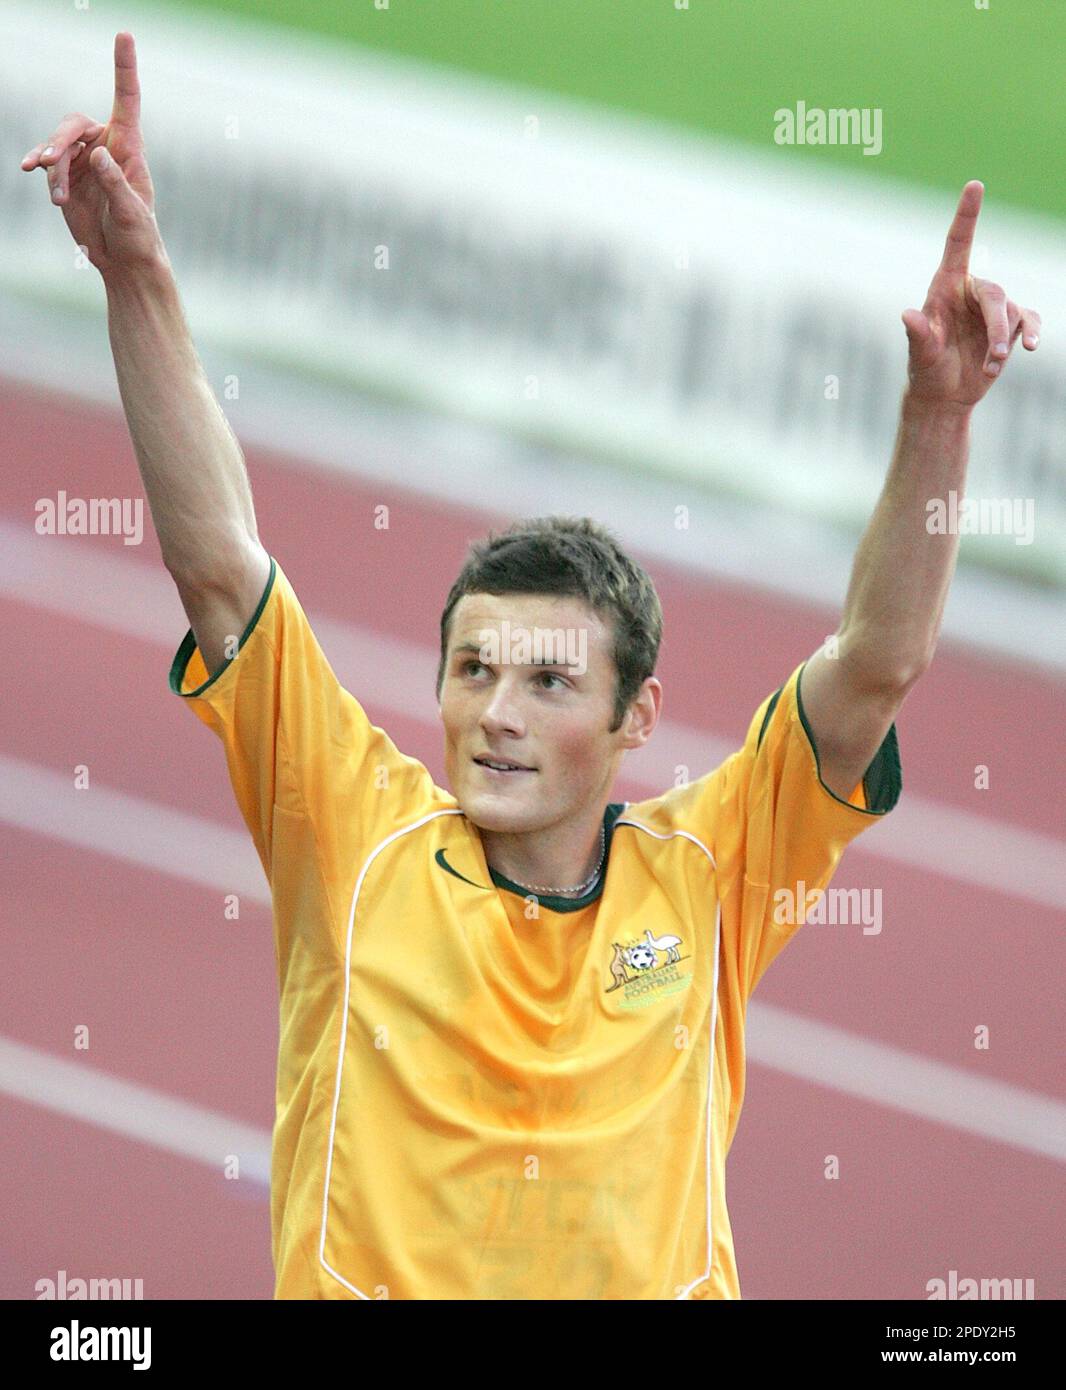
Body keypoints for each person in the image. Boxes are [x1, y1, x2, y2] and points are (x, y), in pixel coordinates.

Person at [21, 31, 1041, 1301]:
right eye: (472, 670)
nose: (495, 715)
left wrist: (936, 416)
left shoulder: (711, 872)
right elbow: (222, 566)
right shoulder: (352, 834)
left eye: (549, 683)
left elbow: (877, 666)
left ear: (635, 718)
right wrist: (136, 277)